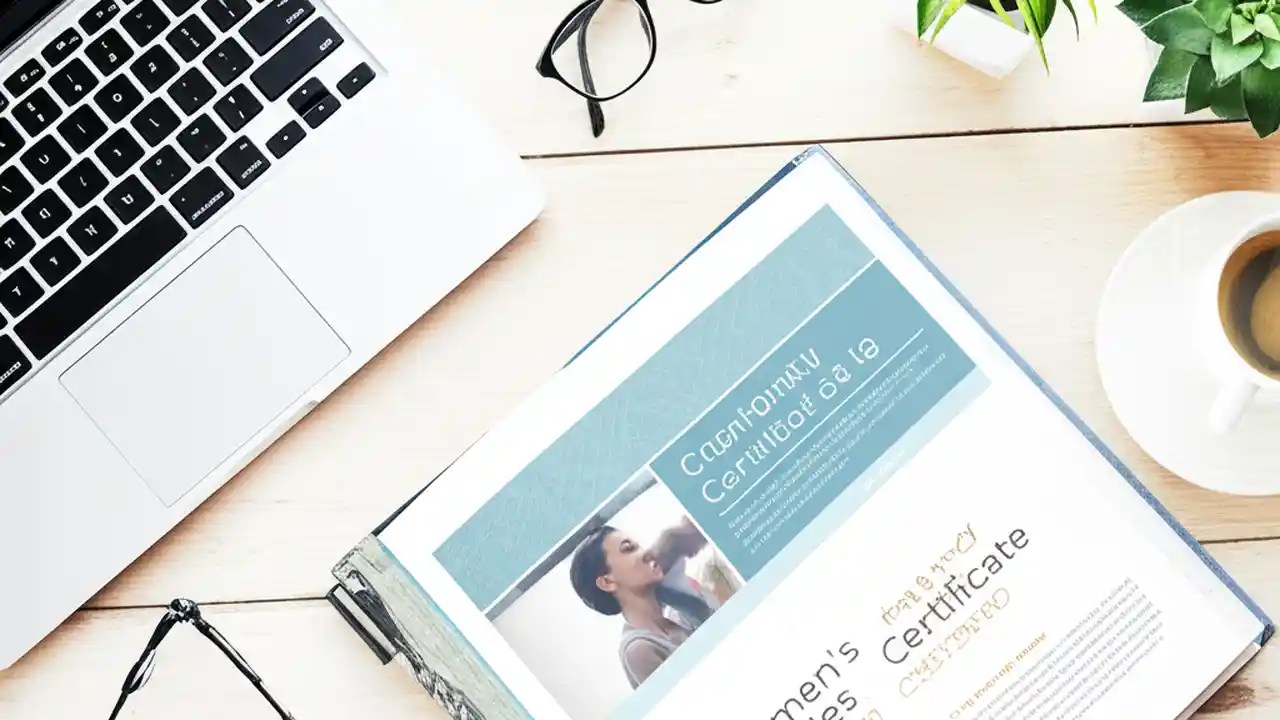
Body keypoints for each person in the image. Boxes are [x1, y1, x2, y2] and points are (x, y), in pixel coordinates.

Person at [569, 517, 720, 688]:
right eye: (629, 549)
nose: (645, 553)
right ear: (607, 581)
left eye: (638, 546)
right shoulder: (639, 649)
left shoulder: (680, 616)